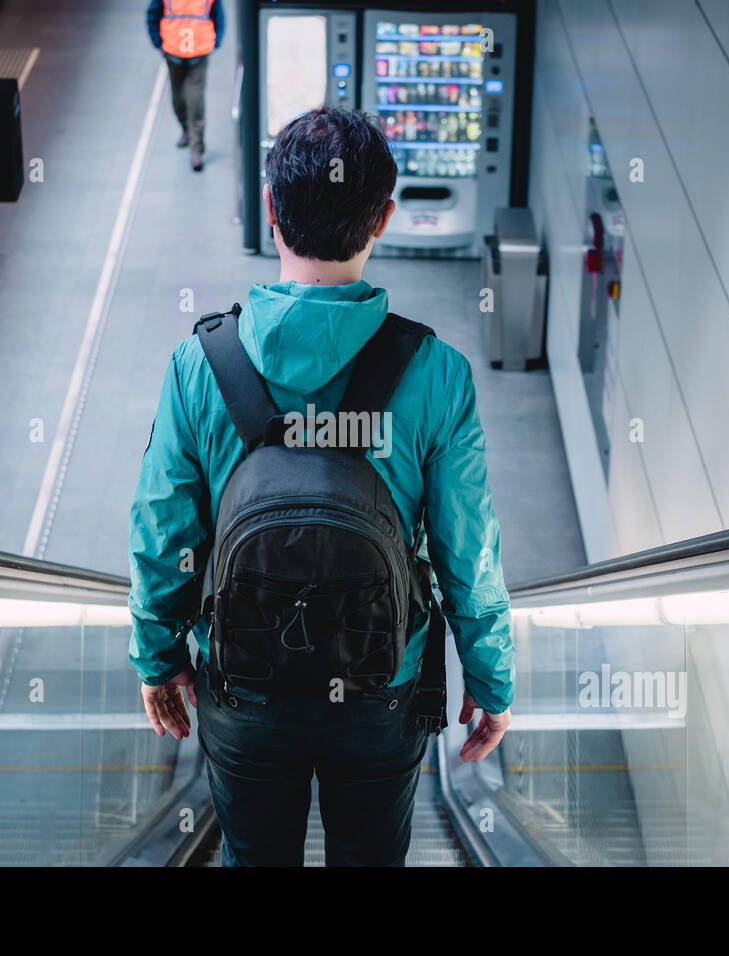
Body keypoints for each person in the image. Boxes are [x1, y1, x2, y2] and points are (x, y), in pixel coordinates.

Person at [128, 107, 514, 866]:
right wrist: (491, 677)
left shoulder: (201, 366)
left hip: (244, 687)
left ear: (270, 211)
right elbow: (470, 551)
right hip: (382, 689)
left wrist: (157, 656)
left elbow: (162, 532)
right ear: (385, 218)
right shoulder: (435, 374)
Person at [146, 0, 224, 171]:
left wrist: (215, 41)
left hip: (199, 54)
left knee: (196, 102)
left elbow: (218, 15)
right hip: (174, 53)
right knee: (178, 99)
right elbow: (153, 15)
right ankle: (187, 130)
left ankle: (196, 149)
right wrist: (159, 43)